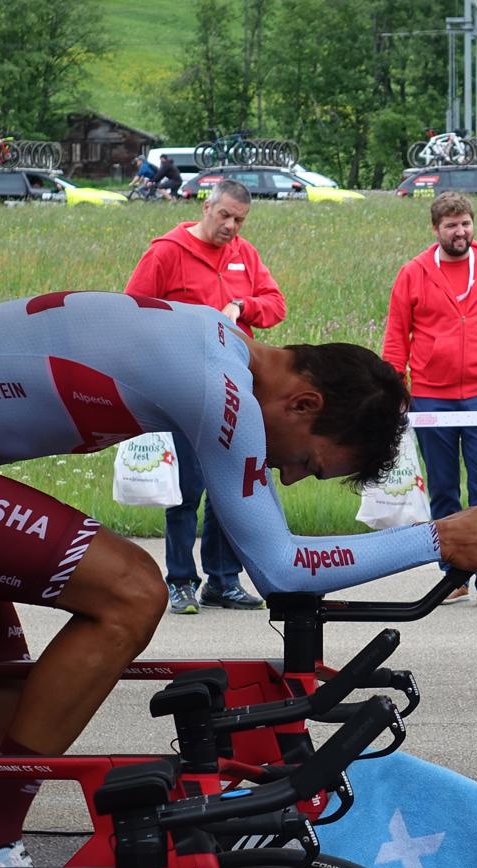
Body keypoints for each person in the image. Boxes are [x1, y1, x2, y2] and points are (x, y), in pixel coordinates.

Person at [0, 292, 477, 868]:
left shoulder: (220, 345)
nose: (291, 476)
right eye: (306, 459)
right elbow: (280, 568)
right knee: (131, 592)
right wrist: (436, 538)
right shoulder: (221, 385)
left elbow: (274, 550)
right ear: (303, 399)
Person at [126, 179, 287, 614]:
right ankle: (179, 580)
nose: (232, 226)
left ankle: (222, 580)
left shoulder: (245, 255)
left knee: (229, 489)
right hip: (182, 389)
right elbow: (131, 312)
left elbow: (276, 304)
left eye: (240, 220)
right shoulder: (166, 252)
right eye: (225, 216)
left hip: (235, 390)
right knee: (187, 487)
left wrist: (243, 305)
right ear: (206, 206)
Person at [383, 191, 477, 609]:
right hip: (431, 397)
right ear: (436, 230)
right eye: (451, 225)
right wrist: (396, 387)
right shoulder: (414, 272)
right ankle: (453, 577)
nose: (460, 231)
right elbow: (397, 335)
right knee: (445, 490)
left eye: (465, 223)